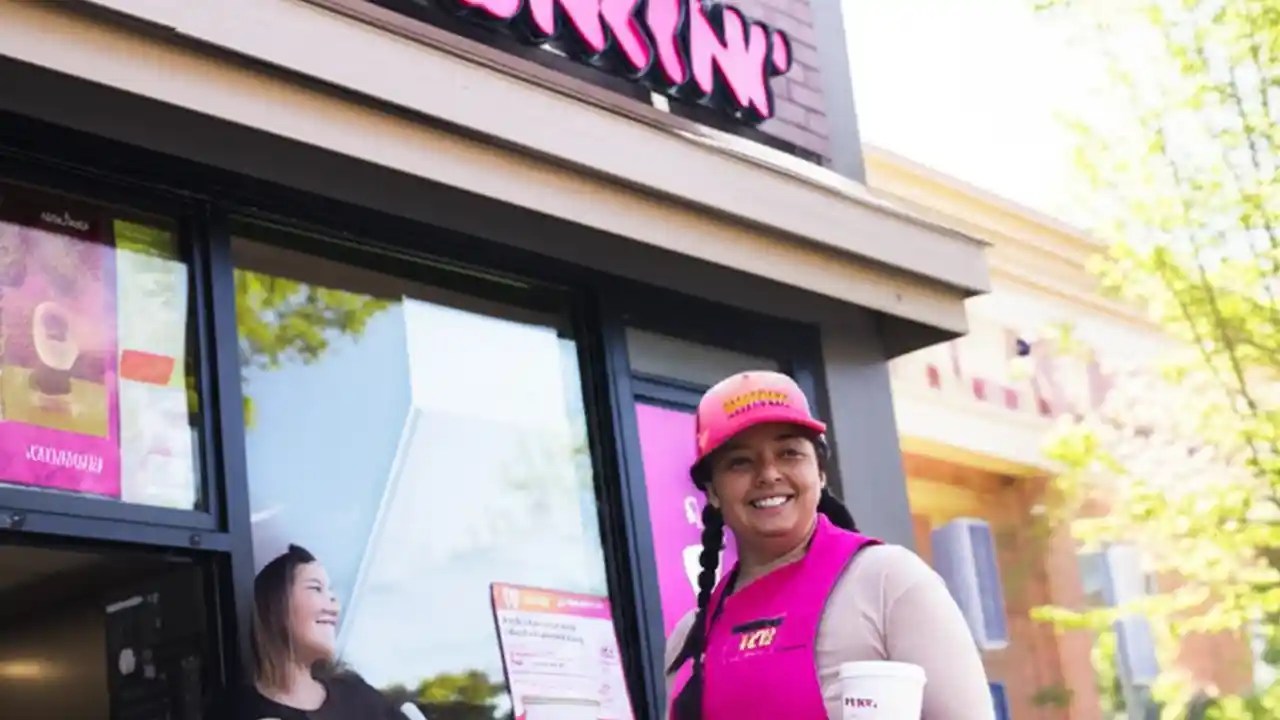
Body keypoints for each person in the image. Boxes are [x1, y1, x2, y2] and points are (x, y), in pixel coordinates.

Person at [664, 371, 994, 720]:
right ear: (713, 492)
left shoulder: (888, 582)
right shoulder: (690, 638)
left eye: (789, 453)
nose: (769, 474)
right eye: (740, 462)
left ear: (820, 473)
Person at [210, 544, 408, 720]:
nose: (335, 605)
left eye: (331, 591)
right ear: (276, 606)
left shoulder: (356, 695)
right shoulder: (236, 711)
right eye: (316, 588)